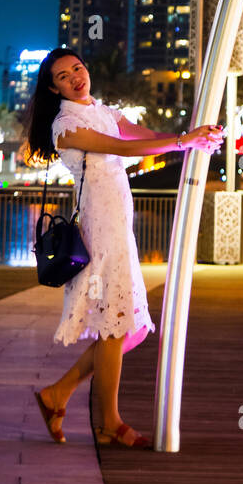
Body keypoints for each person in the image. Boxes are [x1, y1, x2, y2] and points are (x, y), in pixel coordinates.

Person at [26, 46, 223, 447]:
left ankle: (58, 394)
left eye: (78, 68)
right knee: (116, 325)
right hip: (101, 231)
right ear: (53, 87)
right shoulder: (66, 124)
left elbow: (145, 137)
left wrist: (192, 138)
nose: (75, 77)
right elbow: (123, 149)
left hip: (119, 227)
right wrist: (183, 142)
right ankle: (108, 423)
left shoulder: (104, 111)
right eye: (64, 76)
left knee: (124, 329)